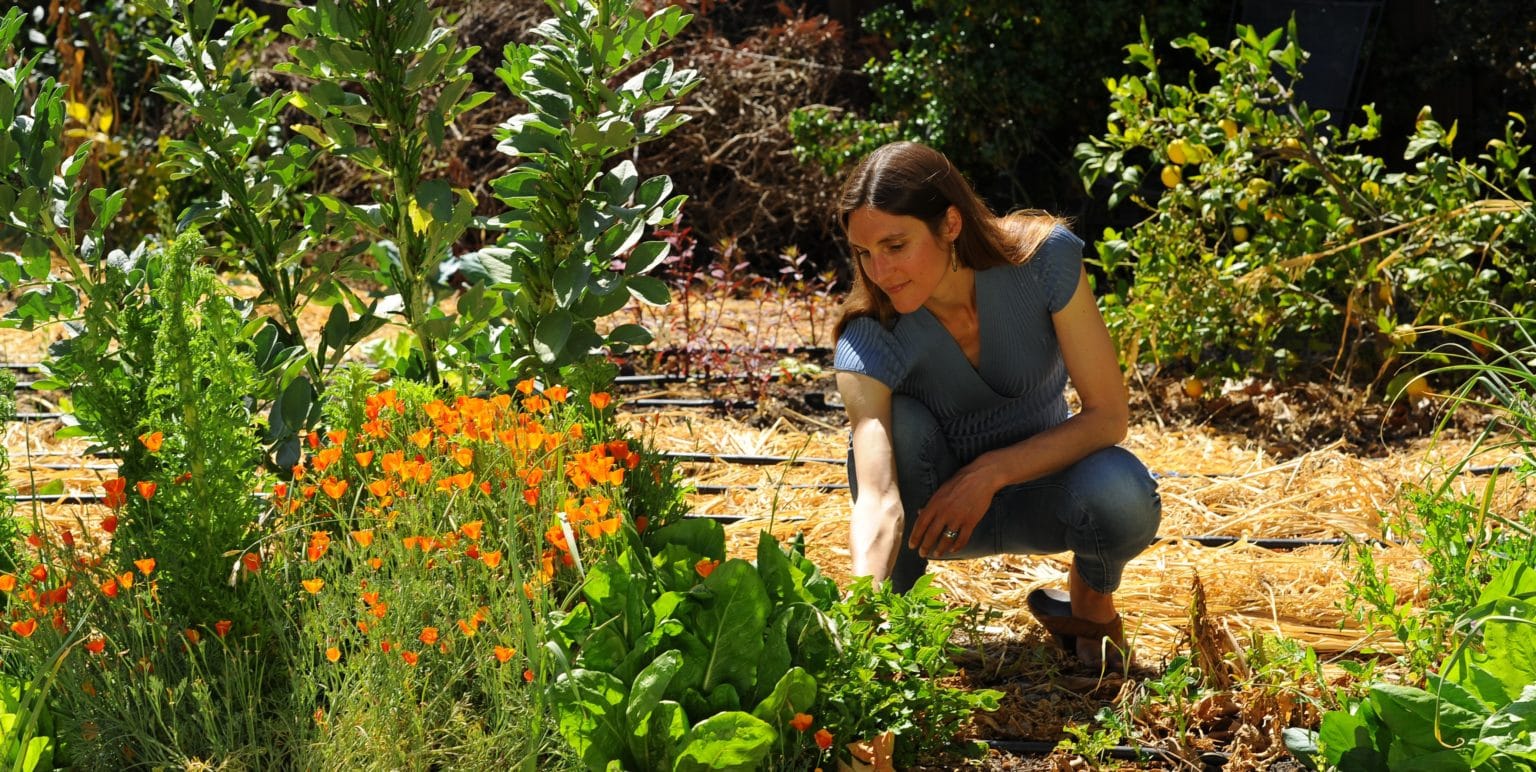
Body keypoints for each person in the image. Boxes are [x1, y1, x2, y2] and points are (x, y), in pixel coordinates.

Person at [831, 141, 1161, 669]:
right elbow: (877, 496)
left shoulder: (1042, 259)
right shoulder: (869, 337)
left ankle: (1090, 603)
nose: (880, 272)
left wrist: (990, 472)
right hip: (938, 521)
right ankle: (895, 627)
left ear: (951, 224)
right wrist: (859, 613)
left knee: (1123, 493)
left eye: (896, 246)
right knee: (903, 425)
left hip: (1047, 493)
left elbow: (1109, 415)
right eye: (865, 253)